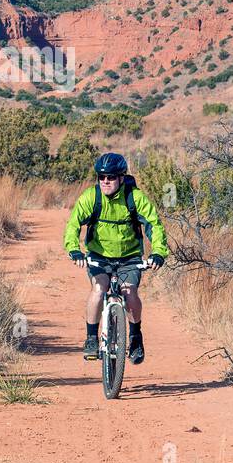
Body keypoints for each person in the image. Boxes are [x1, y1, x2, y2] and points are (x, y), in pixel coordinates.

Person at [63, 151, 167, 364]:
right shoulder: (92, 197)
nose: (105, 181)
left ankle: (135, 336)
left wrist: (158, 252)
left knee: (130, 294)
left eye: (110, 177)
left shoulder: (134, 198)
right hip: (98, 256)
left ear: (121, 178)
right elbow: (73, 224)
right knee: (99, 289)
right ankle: (91, 338)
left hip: (129, 257)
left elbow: (154, 225)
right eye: (101, 177)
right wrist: (74, 250)